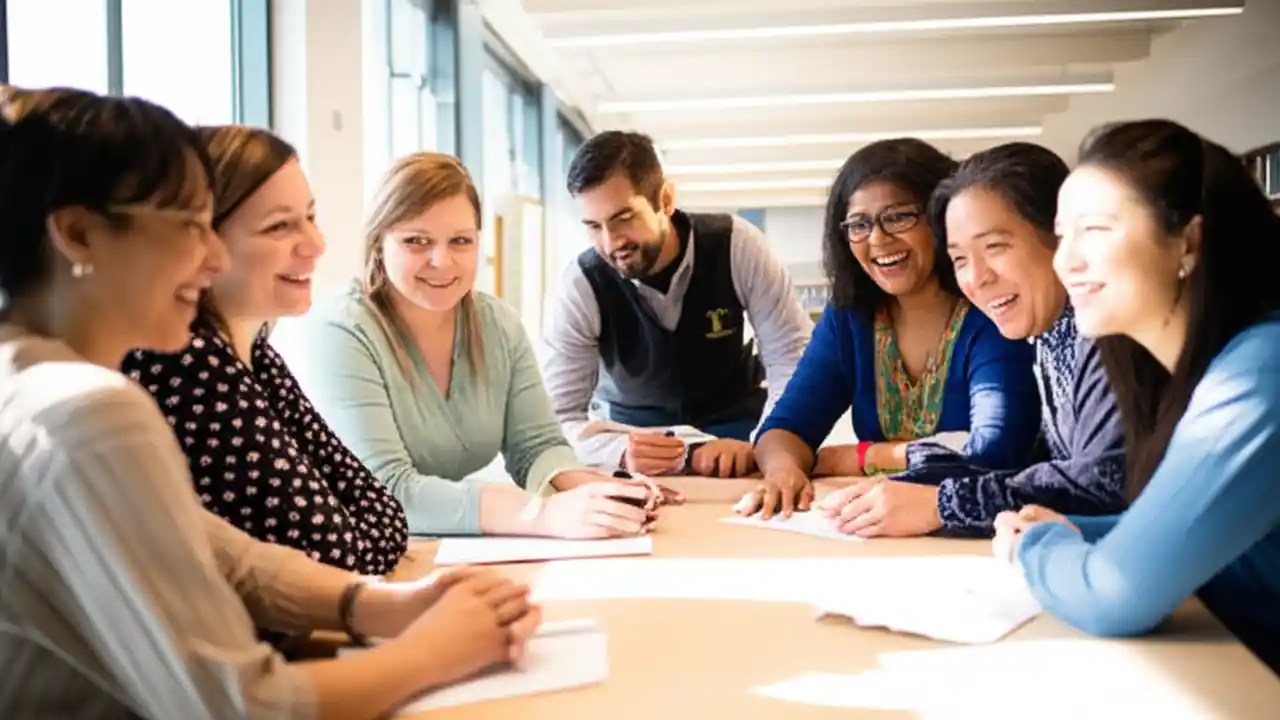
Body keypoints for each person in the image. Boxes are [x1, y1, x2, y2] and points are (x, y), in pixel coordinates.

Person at [0, 86, 539, 719]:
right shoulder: (91, 412)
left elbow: (223, 552)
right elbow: (244, 708)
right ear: (79, 234)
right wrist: (436, 651)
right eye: (189, 227)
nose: (213, 256)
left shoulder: (35, 380)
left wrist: (375, 605)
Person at [994, 120, 1280, 672]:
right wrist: (1072, 531)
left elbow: (1114, 594)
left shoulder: (1257, 377)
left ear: (1187, 242)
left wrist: (1030, 548)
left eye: (1095, 230)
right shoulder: (1198, 368)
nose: (1066, 260)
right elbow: (1206, 535)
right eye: (1063, 233)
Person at [273, 152, 654, 538]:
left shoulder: (498, 325)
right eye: (416, 241)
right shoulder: (339, 330)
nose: (442, 261)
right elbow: (385, 490)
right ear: (378, 243)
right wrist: (541, 515)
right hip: (343, 550)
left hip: (431, 548)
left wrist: (595, 491)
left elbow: (536, 445)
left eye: (460, 241)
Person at [121, 126, 409, 575]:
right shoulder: (189, 363)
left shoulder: (255, 354)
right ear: (203, 240)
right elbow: (342, 555)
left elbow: (384, 518)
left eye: (310, 217)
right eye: (280, 227)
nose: (316, 244)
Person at [818, 142, 1126, 537]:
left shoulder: (1109, 335)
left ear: (1061, 236)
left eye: (994, 247)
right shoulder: (1050, 335)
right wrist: (902, 484)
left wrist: (940, 504)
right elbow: (1031, 468)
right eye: (960, 259)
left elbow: (1101, 484)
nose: (976, 278)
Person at [741, 138, 1042, 519]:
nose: (878, 239)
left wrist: (867, 456)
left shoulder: (990, 309)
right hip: (887, 529)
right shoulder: (850, 319)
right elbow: (786, 427)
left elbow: (994, 450)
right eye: (859, 225)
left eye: (899, 216)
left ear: (941, 218)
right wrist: (784, 470)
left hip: (985, 531)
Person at [541, 130, 812, 478]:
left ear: (665, 200)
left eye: (624, 218)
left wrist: (767, 442)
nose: (610, 243)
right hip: (638, 443)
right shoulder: (581, 284)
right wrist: (617, 452)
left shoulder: (737, 246)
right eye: (594, 226)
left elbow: (791, 355)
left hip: (736, 435)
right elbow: (554, 420)